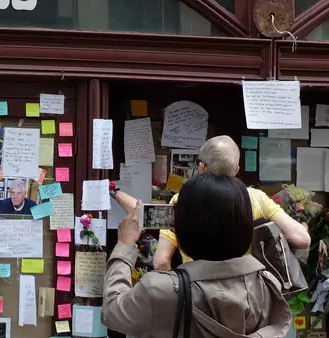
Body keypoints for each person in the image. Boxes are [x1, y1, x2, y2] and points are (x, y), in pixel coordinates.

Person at [102, 173, 292, 337]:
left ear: (183, 228)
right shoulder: (268, 286)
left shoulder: (159, 290)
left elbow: (112, 312)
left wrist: (125, 244)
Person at [112, 135, 310, 270]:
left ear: (201, 167)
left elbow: (161, 262)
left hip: (199, 290)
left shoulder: (182, 200)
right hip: (246, 289)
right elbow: (302, 239)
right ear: (237, 169)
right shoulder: (256, 198)